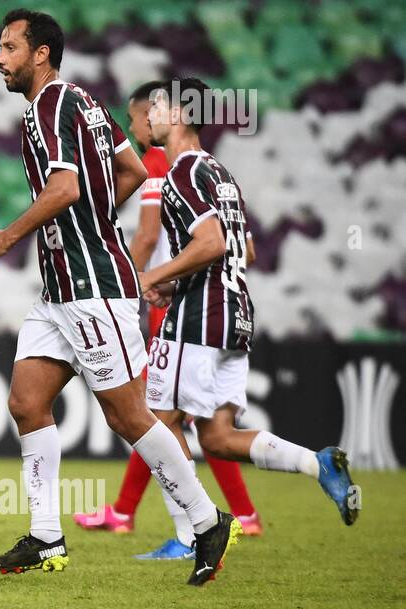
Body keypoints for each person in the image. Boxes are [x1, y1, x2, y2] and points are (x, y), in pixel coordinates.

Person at [0, 9, 238, 586]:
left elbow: (65, 186)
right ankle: (46, 538)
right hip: (60, 289)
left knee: (127, 413)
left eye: (9, 47)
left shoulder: (47, 107)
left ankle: (205, 520)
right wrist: (95, 216)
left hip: (93, 285)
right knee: (26, 402)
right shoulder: (84, 102)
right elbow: (129, 167)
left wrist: (9, 234)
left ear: (40, 54)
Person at [139, 77, 357, 529]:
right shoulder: (220, 174)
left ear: (180, 114)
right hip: (235, 315)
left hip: (200, 319)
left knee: (154, 425)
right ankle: (319, 465)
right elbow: (246, 250)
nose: (150, 115)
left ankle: (194, 532)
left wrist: (154, 275)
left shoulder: (180, 172)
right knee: (217, 437)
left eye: (158, 106)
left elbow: (213, 243)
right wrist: (175, 283)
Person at [73, 81, 262, 559]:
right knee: (167, 413)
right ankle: (148, 510)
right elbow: (244, 248)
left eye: (138, 118)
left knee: (156, 413)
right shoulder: (203, 167)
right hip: (190, 296)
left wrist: (130, 282)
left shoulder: (162, 167)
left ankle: (202, 523)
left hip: (173, 299)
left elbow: (148, 234)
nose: (135, 127)